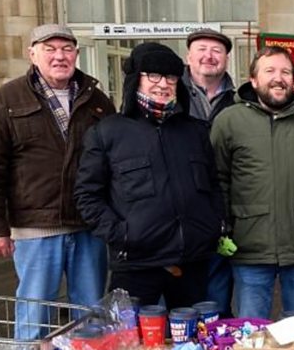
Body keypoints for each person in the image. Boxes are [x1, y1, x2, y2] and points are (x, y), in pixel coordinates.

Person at [0, 24, 115, 339]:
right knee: (35, 314)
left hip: (88, 226)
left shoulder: (98, 101)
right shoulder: (6, 99)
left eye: (66, 49)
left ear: (77, 54)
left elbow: (114, 164)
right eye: (49, 49)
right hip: (35, 227)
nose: (59, 56)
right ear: (32, 54)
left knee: (91, 315)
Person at [75, 43, 225, 309]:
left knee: (191, 345)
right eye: (153, 76)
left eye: (170, 77)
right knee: (128, 344)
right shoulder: (108, 132)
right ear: (136, 80)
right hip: (136, 263)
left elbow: (213, 186)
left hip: (190, 261)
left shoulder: (195, 132)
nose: (163, 84)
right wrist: (122, 234)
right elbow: (88, 196)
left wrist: (211, 226)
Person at [211, 45, 294, 320]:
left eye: (286, 71)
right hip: (249, 245)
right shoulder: (229, 121)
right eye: (270, 71)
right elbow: (218, 178)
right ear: (253, 79)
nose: (279, 78)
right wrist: (223, 226)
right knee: (251, 333)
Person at [185, 28, 238, 317]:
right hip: (181, 209)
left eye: (217, 51)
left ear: (226, 59)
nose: (209, 56)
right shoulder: (171, 95)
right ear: (188, 56)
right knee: (182, 297)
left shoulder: (240, 99)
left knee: (218, 291)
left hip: (222, 207)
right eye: (202, 49)